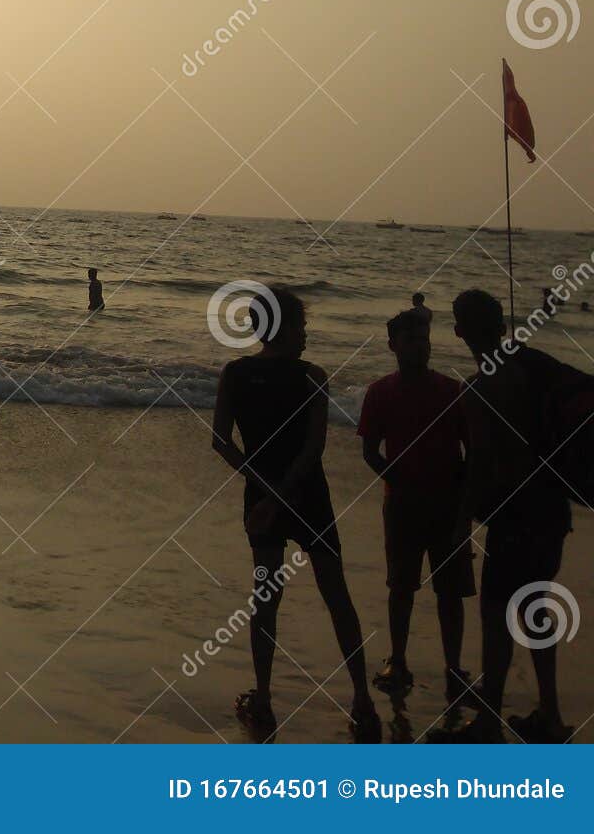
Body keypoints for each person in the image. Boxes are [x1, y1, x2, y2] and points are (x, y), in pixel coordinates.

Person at [210, 286, 380, 743]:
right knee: (335, 593)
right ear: (284, 328)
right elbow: (313, 449)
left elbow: (222, 442)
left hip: (262, 497)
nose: (306, 335)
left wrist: (265, 491)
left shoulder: (236, 374)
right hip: (308, 496)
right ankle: (362, 698)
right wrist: (284, 493)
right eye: (301, 326)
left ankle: (263, 696)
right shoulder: (312, 377)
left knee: (266, 595)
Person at [431, 290, 575, 743]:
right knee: (535, 608)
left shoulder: (477, 387)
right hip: (554, 510)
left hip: (514, 517)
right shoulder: (535, 369)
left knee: (496, 617)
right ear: (501, 324)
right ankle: (549, 716)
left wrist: (460, 524)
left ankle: (490, 722)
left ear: (459, 331)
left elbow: (480, 464)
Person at [357, 310, 474, 704]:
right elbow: (369, 451)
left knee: (451, 592)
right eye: (411, 339)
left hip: (448, 505)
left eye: (424, 338)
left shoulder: (454, 391)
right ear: (393, 346)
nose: (420, 345)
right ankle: (399, 658)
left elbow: (472, 452)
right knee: (400, 587)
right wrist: (396, 477)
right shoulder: (379, 392)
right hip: (402, 505)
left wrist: (464, 500)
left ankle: (454, 666)